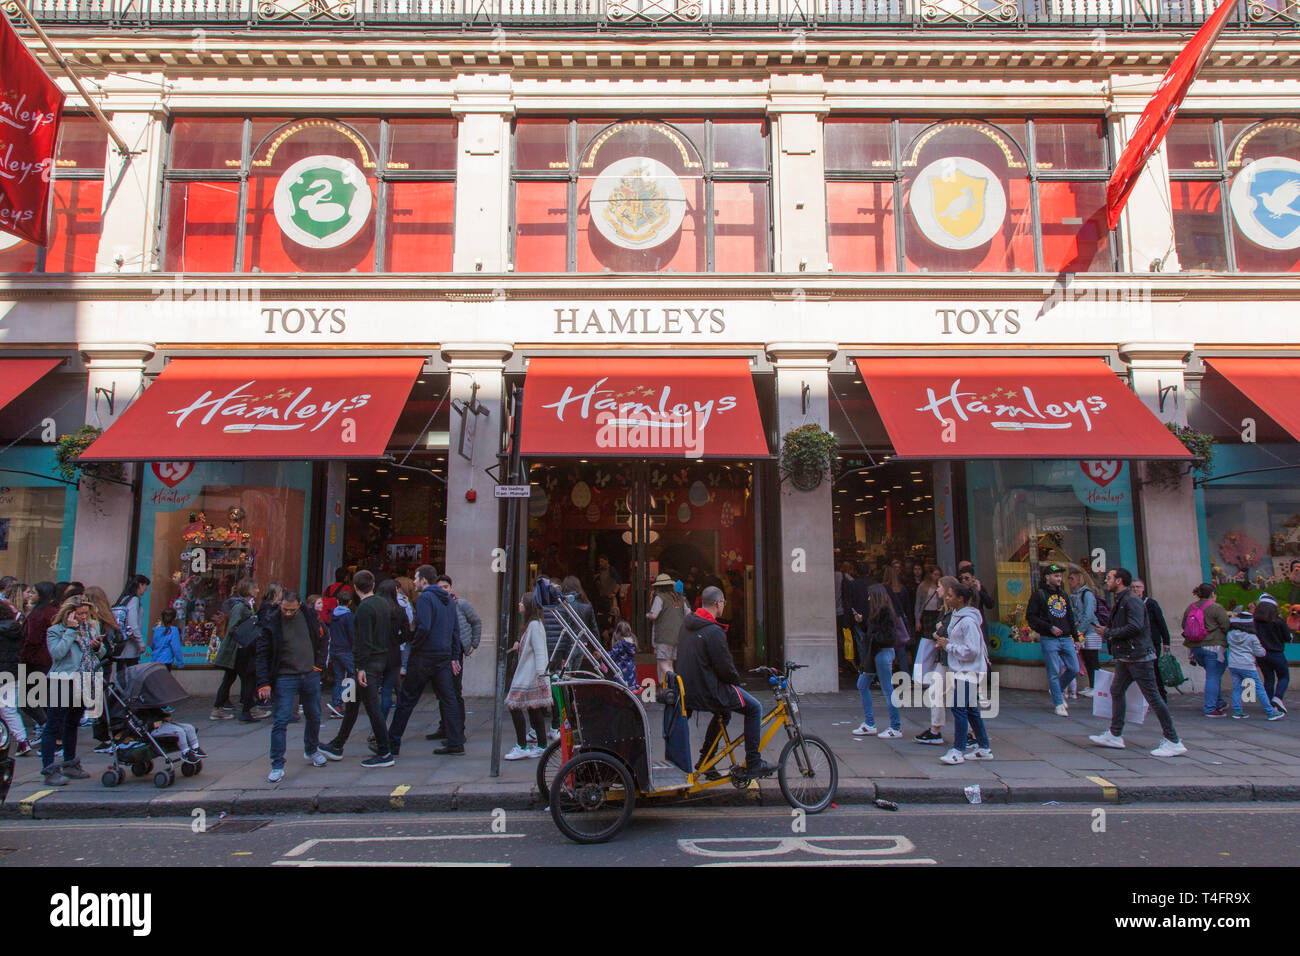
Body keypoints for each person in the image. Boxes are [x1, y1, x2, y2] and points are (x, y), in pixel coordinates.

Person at [677, 585, 777, 779]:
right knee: (754, 707)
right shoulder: (713, 631)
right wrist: (736, 681)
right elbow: (725, 667)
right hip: (707, 690)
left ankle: (706, 760)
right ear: (717, 603)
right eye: (723, 602)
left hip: (689, 689)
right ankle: (754, 762)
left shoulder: (686, 625)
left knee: (724, 713)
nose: (724, 606)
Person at [1089, 568, 1187, 757]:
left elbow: (1135, 626)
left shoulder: (1131, 601)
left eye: (1109, 578)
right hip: (1127, 655)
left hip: (1138, 656)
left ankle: (1173, 740)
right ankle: (1115, 734)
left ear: (1119, 581)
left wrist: (1108, 633)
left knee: (1153, 697)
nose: (1106, 581)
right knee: (1116, 691)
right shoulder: (1122, 600)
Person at [385, 565, 464, 758]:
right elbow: (455, 631)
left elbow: (424, 626)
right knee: (449, 699)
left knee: (407, 699)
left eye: (416, 578)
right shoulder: (449, 601)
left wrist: (415, 644)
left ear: (424, 580)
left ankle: (392, 742)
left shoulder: (425, 598)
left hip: (425, 656)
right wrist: (453, 655)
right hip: (443, 656)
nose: (413, 582)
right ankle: (456, 742)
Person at [320, 570, 395, 767]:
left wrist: (360, 667)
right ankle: (337, 745)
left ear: (354, 588)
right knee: (351, 703)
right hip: (378, 659)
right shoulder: (382, 604)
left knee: (372, 708)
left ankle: (385, 751)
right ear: (372, 585)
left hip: (365, 665)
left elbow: (363, 640)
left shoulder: (363, 609)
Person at [255, 589, 329, 783]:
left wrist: (318, 666)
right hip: (285, 675)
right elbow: (262, 653)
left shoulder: (309, 616)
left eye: (292, 610)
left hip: (309, 673)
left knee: (314, 714)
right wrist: (263, 683)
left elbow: (324, 637)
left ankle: (311, 749)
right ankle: (277, 764)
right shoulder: (271, 621)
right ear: (279, 604)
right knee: (281, 719)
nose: (288, 613)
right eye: (285, 609)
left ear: (299, 605)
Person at [41, 597, 110, 786]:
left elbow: (100, 653)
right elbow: (57, 654)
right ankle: (49, 768)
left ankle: (70, 763)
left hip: (84, 680)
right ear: (69, 613)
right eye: (79, 614)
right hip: (63, 681)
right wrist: (71, 631)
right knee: (53, 725)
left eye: (86, 614)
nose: (83, 618)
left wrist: (97, 646)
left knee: (73, 723)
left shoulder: (91, 629)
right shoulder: (55, 631)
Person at [935, 581, 993, 764]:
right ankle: (984, 747)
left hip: (968, 670)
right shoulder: (957, 616)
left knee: (959, 708)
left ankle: (958, 750)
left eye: (951, 595)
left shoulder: (967, 621)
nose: (947, 598)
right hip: (964, 669)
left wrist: (949, 646)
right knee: (971, 709)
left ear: (960, 599)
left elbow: (972, 650)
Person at [427, 574, 481, 743]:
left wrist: (473, 643)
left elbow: (476, 621)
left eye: (446, 587)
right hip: (440, 652)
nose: (443, 590)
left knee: (454, 692)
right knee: (442, 692)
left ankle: (458, 729)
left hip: (455, 651)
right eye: (440, 587)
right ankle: (445, 727)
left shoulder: (461, 604)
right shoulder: (435, 605)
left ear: (451, 588)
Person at [1026, 564, 1079, 717]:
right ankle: (1058, 702)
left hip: (1066, 637)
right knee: (1053, 671)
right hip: (1049, 638)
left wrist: (1075, 637)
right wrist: (1049, 627)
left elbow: (1070, 617)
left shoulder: (1063, 595)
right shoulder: (1039, 595)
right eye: (1056, 576)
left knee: (1073, 668)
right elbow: (1031, 617)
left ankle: (1057, 689)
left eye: (1060, 576)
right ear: (1047, 577)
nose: (1059, 579)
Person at [851, 584, 902, 738]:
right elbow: (874, 631)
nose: (868, 598)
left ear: (876, 597)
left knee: (887, 689)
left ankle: (895, 726)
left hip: (881, 653)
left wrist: (872, 638)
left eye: (870, 596)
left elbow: (889, 637)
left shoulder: (885, 612)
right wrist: (862, 622)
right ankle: (870, 722)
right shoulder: (878, 612)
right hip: (875, 653)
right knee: (863, 685)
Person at [504, 594, 551, 760]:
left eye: (522, 601)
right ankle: (541, 745)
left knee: (514, 705)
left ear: (528, 605)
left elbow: (539, 652)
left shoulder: (534, 626)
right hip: (530, 674)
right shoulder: (533, 625)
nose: (519, 603)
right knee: (534, 708)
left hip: (529, 676)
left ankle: (523, 745)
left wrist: (541, 676)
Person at [913, 574, 958, 746]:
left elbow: (950, 632)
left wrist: (941, 631)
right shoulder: (944, 609)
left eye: (939, 586)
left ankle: (971, 732)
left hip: (955, 659)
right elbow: (939, 630)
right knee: (935, 691)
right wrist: (938, 632)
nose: (937, 589)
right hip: (944, 658)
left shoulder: (957, 610)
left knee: (961, 697)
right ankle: (935, 729)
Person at [214, 580, 265, 722]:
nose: (258, 590)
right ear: (248, 590)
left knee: (233, 678)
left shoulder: (249, 605)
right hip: (236, 649)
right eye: (255, 587)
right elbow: (233, 627)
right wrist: (245, 636)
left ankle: (223, 707)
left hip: (240, 649)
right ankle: (247, 708)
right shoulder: (240, 607)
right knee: (244, 678)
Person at [84, 586, 128, 753]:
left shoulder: (97, 621)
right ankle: (108, 733)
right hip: (106, 663)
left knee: (97, 699)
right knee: (100, 697)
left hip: (97, 662)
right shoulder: (109, 619)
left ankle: (106, 734)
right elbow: (120, 639)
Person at [1225, 605, 1283, 720]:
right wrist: (1263, 651)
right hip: (1247, 665)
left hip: (1233, 664)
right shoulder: (1252, 637)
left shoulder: (1230, 635)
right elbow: (1259, 652)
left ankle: (1237, 711)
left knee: (1237, 687)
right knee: (1259, 688)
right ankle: (1270, 711)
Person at [1182, 583, 1230, 717]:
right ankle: (1210, 707)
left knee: (1213, 675)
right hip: (1214, 647)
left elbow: (1183, 625)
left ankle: (1219, 702)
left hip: (1196, 648)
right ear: (1213, 594)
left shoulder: (1190, 607)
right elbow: (1226, 625)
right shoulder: (1215, 607)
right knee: (1213, 676)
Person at [0, 602, 34, 756]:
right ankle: (22, 741)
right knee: (10, 710)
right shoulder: (16, 628)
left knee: (7, 710)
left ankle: (21, 741)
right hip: (13, 671)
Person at [375, 579, 410, 720]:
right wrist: (396, 641)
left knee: (373, 692)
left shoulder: (374, 609)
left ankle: (377, 726)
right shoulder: (400, 611)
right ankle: (381, 723)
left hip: (376, 653)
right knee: (387, 692)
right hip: (393, 653)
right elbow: (407, 634)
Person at [1133, 579, 1172, 702]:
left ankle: (1161, 696)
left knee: (1153, 668)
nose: (1135, 589)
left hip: (1152, 641)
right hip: (1136, 641)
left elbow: (1161, 622)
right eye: (1133, 587)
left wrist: (1166, 641)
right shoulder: (1129, 603)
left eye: (1138, 587)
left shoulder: (1151, 604)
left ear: (1143, 589)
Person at [647, 572, 687, 685]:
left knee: (663, 664)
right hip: (679, 636)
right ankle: (667, 688)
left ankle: (673, 685)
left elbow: (654, 615)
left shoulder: (660, 598)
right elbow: (688, 614)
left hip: (663, 636)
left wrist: (647, 615)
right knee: (670, 663)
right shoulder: (681, 598)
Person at [1068, 569, 1103, 699]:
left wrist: (1079, 631)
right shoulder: (1075, 595)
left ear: (1078, 579)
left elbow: (1089, 614)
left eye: (1072, 578)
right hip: (1083, 631)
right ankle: (1092, 685)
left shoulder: (1086, 594)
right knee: (1087, 659)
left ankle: (1097, 687)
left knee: (1093, 659)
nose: (1069, 581)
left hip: (1090, 632)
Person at [1253, 593, 1290, 714]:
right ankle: (1278, 698)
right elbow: (1287, 638)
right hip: (1277, 654)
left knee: (1268, 679)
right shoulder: (1278, 621)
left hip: (1262, 655)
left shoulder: (1255, 621)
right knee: (1284, 676)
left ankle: (1269, 705)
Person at [326, 586, 355, 719]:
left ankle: (337, 705)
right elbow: (351, 634)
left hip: (334, 649)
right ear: (350, 602)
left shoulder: (333, 615)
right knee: (353, 674)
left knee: (339, 677)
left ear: (337, 601)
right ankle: (343, 701)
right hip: (346, 649)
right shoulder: (348, 616)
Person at [110, 575, 150, 672]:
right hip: (129, 646)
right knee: (130, 675)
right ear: (140, 585)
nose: (145, 589)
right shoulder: (134, 600)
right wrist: (141, 643)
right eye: (145, 586)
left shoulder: (123, 599)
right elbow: (133, 625)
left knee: (121, 674)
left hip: (121, 644)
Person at [609, 620, 639, 690]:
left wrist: (601, 653)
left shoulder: (620, 644)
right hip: (631, 671)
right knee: (630, 689)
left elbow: (611, 655)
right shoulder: (632, 644)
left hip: (622, 672)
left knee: (620, 689)